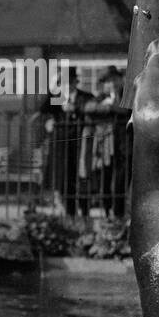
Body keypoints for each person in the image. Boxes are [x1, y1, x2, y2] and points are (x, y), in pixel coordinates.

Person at [41, 68, 95, 216]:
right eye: (63, 82)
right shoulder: (57, 97)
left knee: (80, 179)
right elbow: (43, 109)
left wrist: (75, 109)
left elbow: (91, 111)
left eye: (69, 82)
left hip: (79, 143)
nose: (66, 85)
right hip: (60, 144)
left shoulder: (85, 96)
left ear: (74, 82)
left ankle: (84, 213)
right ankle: (69, 213)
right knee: (62, 179)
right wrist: (54, 89)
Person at [85, 69, 133, 216]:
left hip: (124, 144)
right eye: (107, 81)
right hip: (107, 145)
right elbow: (88, 107)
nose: (111, 84)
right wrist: (106, 106)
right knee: (105, 177)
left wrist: (112, 107)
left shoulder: (127, 94)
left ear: (120, 80)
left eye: (113, 80)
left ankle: (118, 212)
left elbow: (127, 110)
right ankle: (107, 210)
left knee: (121, 178)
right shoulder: (102, 97)